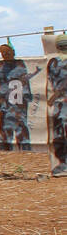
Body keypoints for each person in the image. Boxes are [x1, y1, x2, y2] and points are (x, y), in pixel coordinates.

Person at [0, 40, 41, 151]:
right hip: (6, 103)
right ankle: (5, 153)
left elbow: (25, 81)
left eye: (8, 52)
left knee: (22, 129)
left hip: (20, 103)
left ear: (13, 52)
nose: (6, 54)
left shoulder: (20, 64)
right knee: (5, 130)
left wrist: (26, 96)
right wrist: (2, 99)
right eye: (3, 53)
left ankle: (25, 152)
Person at [48, 34, 67, 176]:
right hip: (61, 103)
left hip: (59, 104)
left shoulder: (53, 62)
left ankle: (62, 164)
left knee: (59, 135)